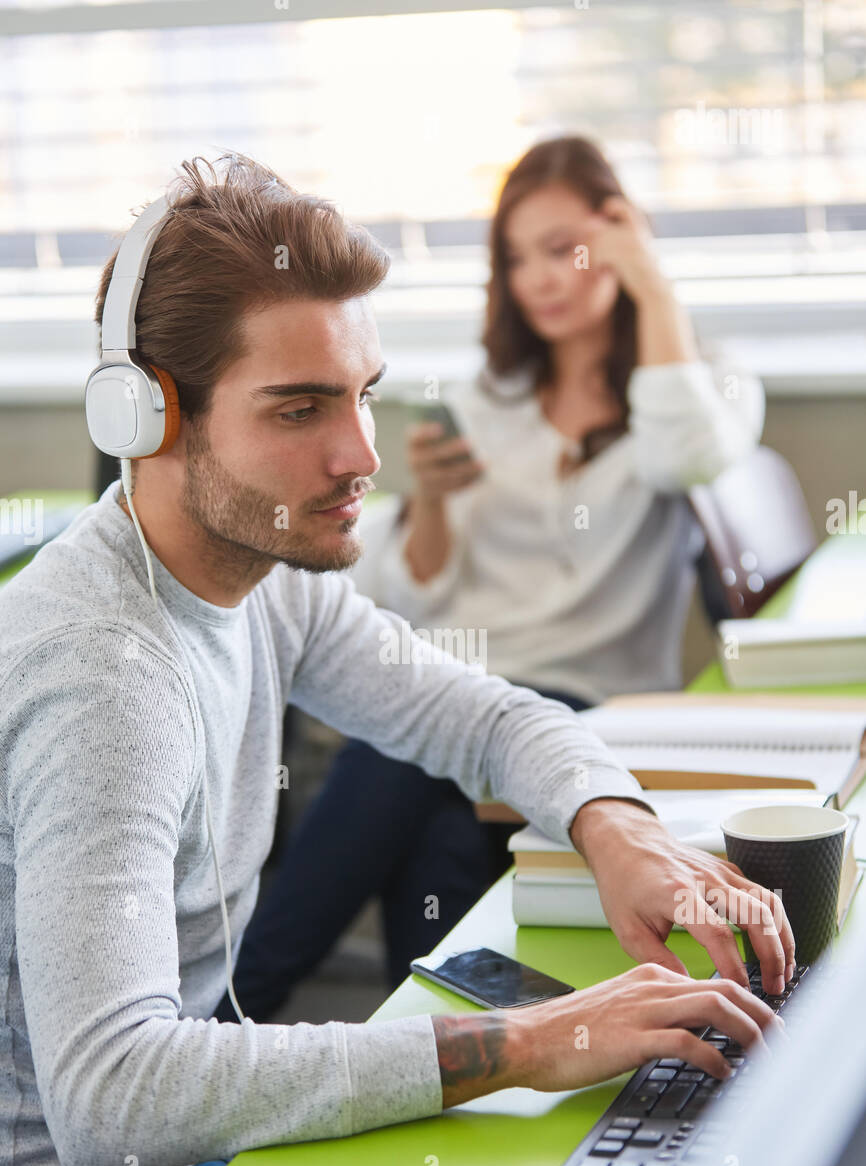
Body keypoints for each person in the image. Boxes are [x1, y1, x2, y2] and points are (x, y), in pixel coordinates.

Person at [1, 153, 790, 1166]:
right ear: (150, 412)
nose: (361, 456)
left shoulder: (266, 572)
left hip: (198, 1152)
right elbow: (114, 1093)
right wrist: (531, 1042)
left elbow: (476, 711)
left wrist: (615, 825)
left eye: (362, 392)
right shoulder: (101, 677)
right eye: (300, 408)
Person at [225, 136, 764, 1019]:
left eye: (567, 250)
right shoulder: (486, 403)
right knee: (434, 822)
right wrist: (430, 503)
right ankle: (446, 1049)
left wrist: (651, 285)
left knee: (396, 763)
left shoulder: (702, 384)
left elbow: (684, 456)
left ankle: (241, 1002)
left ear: (623, 242)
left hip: (598, 706)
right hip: (474, 688)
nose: (542, 280)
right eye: (519, 260)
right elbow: (415, 595)